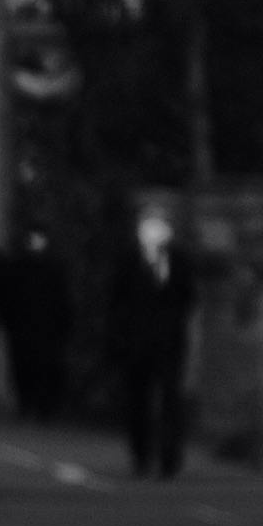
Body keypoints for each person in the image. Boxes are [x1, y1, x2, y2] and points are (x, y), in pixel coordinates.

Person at [109, 201, 198, 480]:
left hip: (169, 342)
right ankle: (141, 455)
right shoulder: (128, 259)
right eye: (150, 226)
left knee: (171, 399)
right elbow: (116, 301)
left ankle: (169, 458)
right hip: (136, 343)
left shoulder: (179, 259)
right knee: (138, 401)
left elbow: (187, 297)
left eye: (161, 226)